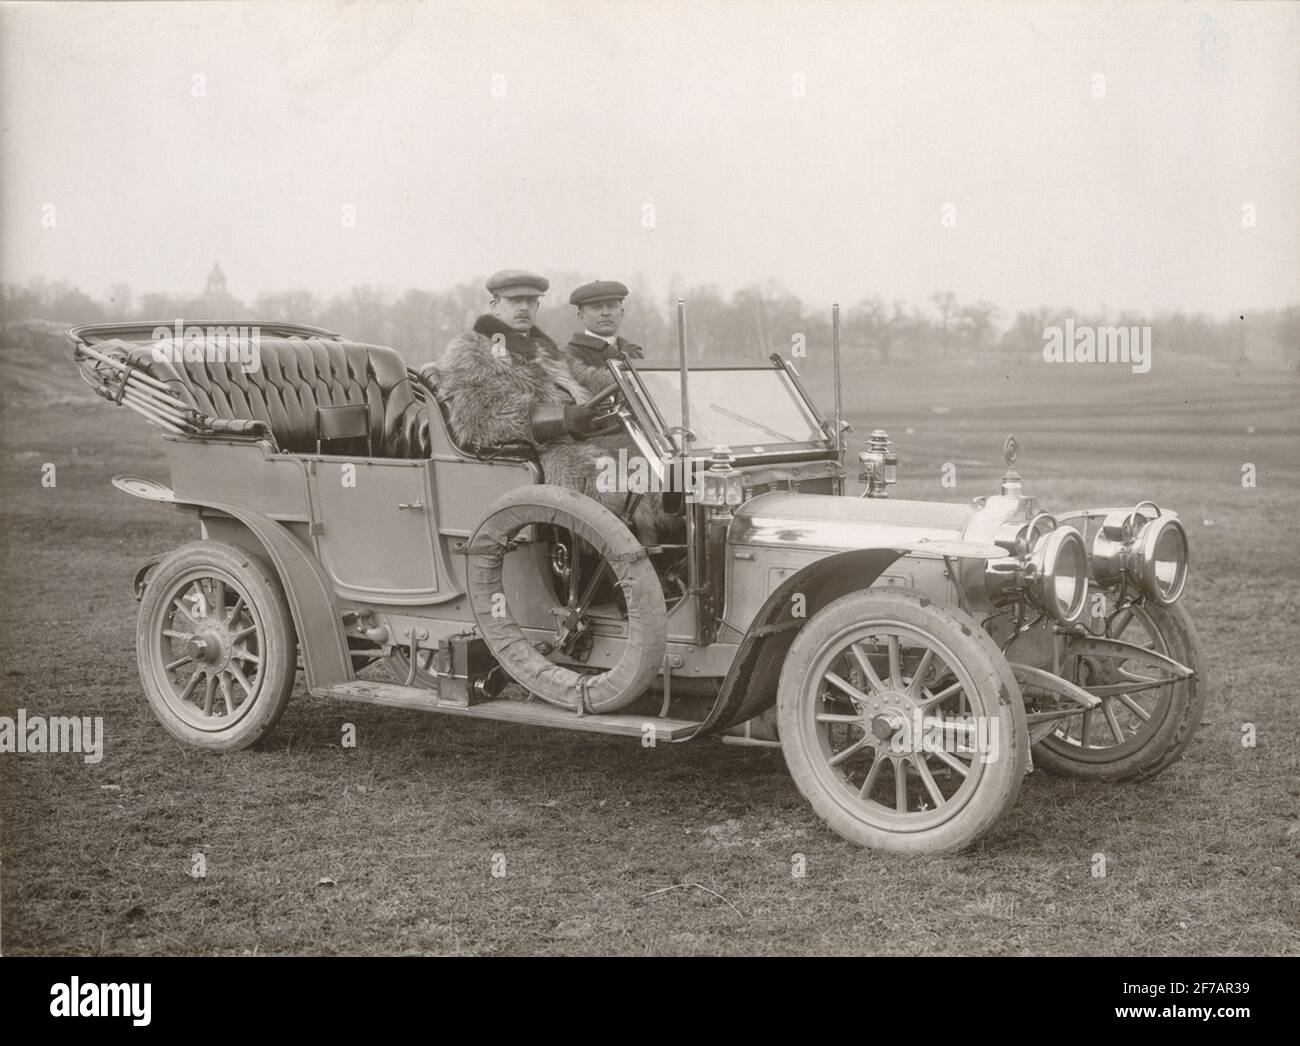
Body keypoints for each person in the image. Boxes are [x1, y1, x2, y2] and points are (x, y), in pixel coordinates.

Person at [431, 269, 660, 540]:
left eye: (530, 301)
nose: (523, 308)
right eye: (514, 301)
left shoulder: (544, 348)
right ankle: (607, 565)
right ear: (495, 306)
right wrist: (561, 418)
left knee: (655, 461)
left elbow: (586, 377)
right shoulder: (474, 352)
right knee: (602, 476)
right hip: (532, 452)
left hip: (573, 440)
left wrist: (643, 386)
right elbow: (480, 419)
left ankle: (667, 552)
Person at [563, 280, 643, 395]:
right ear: (581, 316)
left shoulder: (633, 353)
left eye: (612, 306)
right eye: (596, 308)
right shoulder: (569, 356)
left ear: (622, 312)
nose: (606, 313)